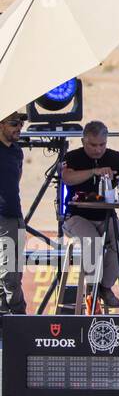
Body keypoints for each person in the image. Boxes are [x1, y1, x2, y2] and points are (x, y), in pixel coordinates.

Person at [61, 120, 119, 310]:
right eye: (93, 145)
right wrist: (94, 171)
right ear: (83, 141)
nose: (98, 150)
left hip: (106, 216)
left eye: (102, 145)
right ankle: (92, 288)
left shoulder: (114, 157)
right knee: (92, 241)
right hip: (76, 216)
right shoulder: (73, 157)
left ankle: (103, 288)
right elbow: (67, 178)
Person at [0, 111, 27, 315]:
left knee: (11, 275)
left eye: (21, 123)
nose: (19, 127)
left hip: (12, 217)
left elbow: (16, 180)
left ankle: (18, 317)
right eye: (14, 123)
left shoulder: (17, 151)